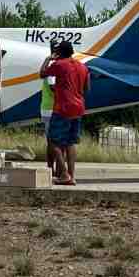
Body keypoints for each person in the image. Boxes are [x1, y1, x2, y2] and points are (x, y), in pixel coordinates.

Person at [44, 40, 89, 186]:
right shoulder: (83, 67)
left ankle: (63, 174)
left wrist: (48, 60)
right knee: (71, 142)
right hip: (78, 108)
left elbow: (42, 74)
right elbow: (87, 87)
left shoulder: (59, 64)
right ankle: (72, 176)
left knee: (53, 141)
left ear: (60, 52)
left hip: (63, 108)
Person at [38, 41, 59, 177]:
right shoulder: (53, 66)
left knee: (52, 141)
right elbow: (53, 87)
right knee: (54, 141)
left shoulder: (53, 65)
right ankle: (52, 169)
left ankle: (53, 168)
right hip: (51, 109)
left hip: (50, 108)